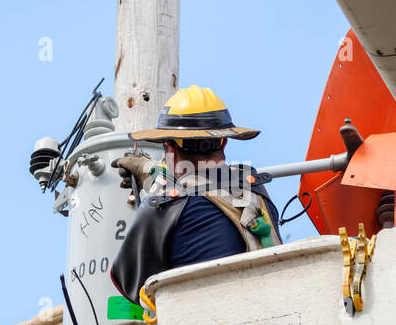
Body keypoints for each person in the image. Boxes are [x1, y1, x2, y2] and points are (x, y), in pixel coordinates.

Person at [110, 85, 281, 305]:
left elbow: (129, 284)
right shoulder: (257, 192)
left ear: (170, 148)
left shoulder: (161, 208)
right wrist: (155, 175)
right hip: (270, 312)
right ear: (224, 142)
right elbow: (209, 186)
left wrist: (154, 187)